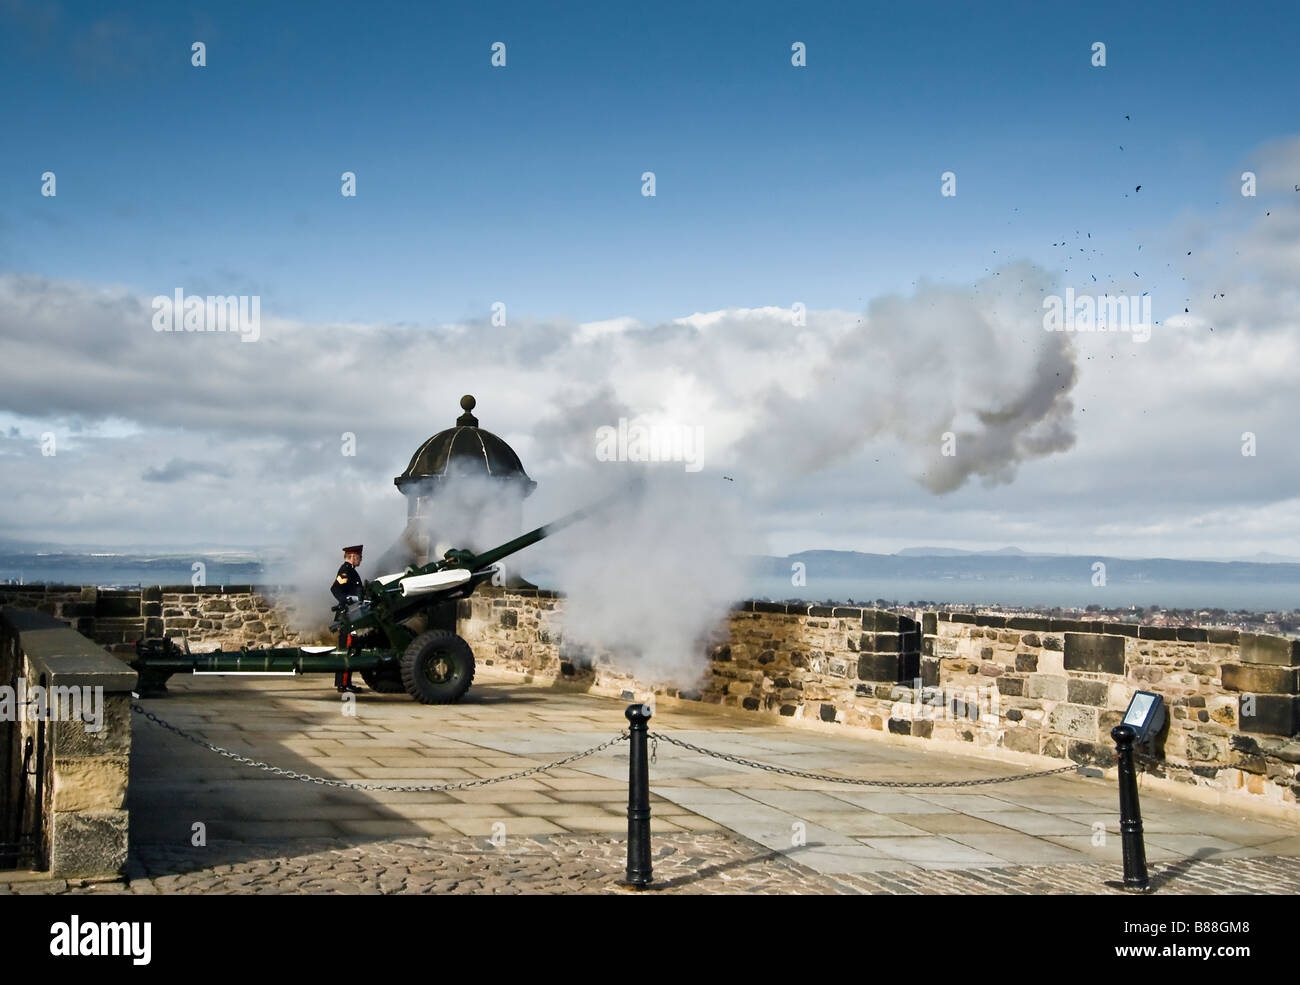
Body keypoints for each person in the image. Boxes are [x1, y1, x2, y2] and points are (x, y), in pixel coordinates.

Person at [330, 544, 365, 693]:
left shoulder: (352, 571)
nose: (361, 560)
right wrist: (346, 600)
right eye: (359, 557)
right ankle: (343, 684)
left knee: (348, 648)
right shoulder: (345, 570)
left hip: (352, 613)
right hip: (347, 615)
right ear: (351, 557)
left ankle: (345, 683)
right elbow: (335, 588)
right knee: (347, 648)